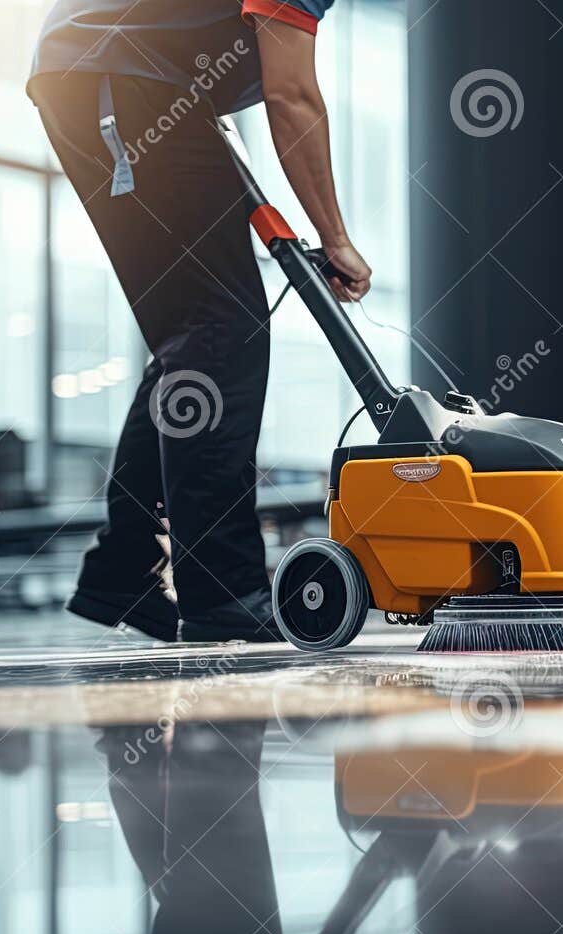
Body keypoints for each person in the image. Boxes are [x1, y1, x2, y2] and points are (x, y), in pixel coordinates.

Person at [28, 1, 372, 642]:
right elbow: (291, 94)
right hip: (118, 76)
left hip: (110, 76)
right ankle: (224, 589)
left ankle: (124, 568)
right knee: (220, 331)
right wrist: (336, 236)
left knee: (192, 337)